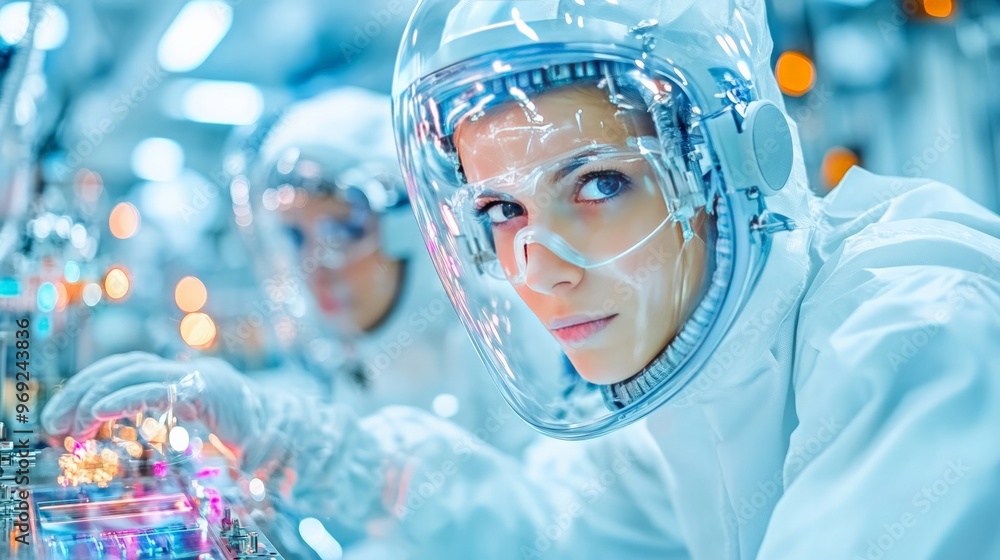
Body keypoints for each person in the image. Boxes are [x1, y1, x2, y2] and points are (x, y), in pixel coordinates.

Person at [388, 0, 1000, 558]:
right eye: (502, 212)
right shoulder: (695, 386)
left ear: (727, 165)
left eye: (600, 184)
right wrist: (349, 468)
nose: (540, 273)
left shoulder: (912, 333)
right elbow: (546, 533)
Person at [41, 88, 686, 559]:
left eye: (344, 229)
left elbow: (538, 531)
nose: (316, 264)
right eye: (293, 236)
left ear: (412, 227)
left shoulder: (523, 344)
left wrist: (297, 445)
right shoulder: (355, 356)